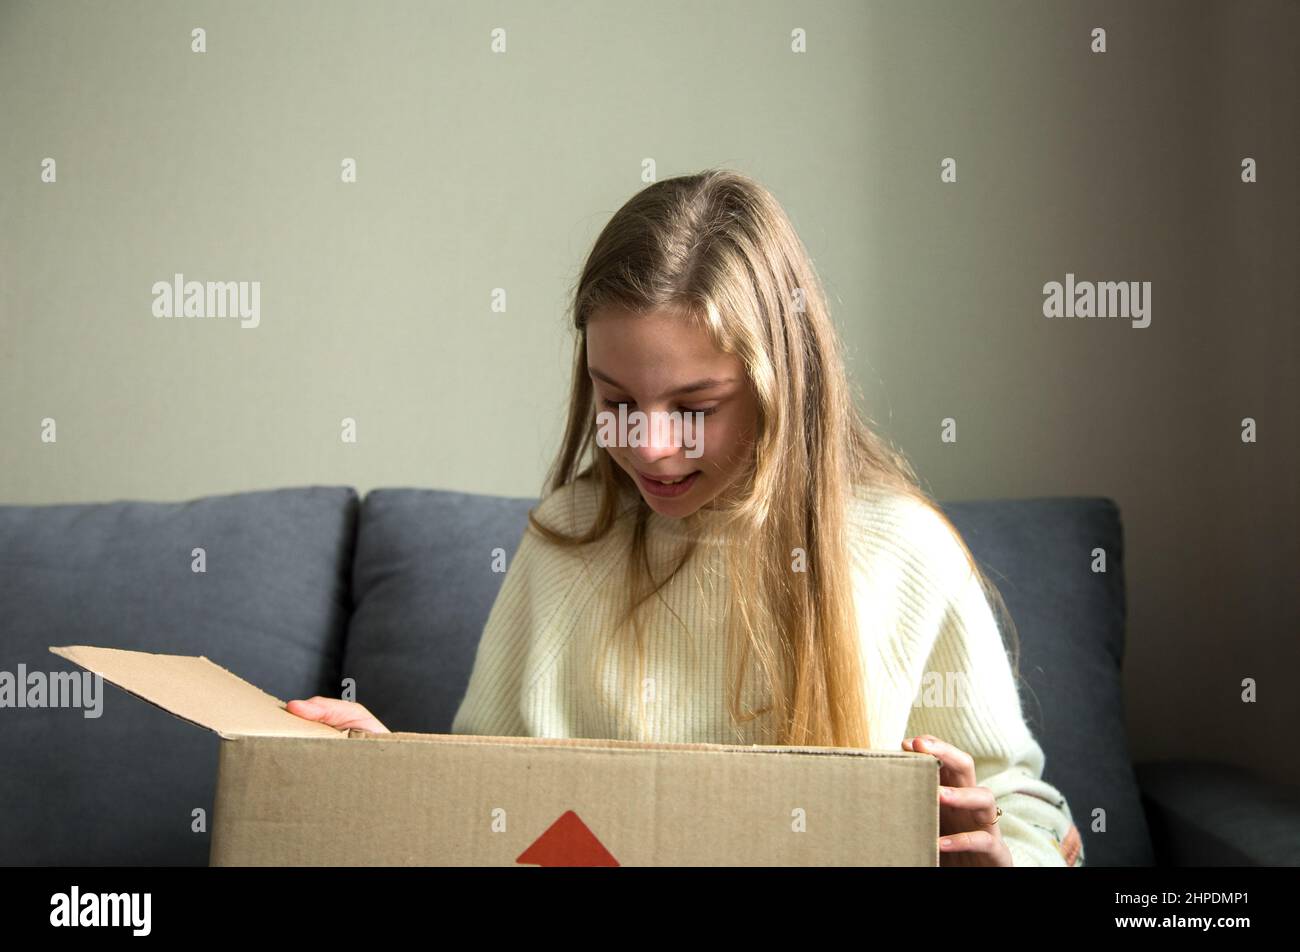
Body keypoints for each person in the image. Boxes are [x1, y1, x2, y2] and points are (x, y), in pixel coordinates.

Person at [288, 168, 1085, 867]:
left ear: (784, 383)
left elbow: (1028, 811)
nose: (655, 449)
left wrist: (1007, 857)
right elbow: (493, 799)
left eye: (697, 406)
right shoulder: (566, 537)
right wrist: (392, 777)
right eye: (617, 401)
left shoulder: (902, 551)